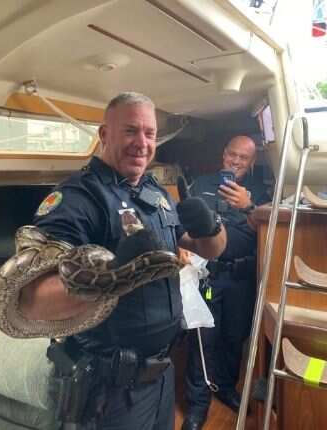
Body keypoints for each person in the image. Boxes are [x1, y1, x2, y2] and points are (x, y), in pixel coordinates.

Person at [17, 92, 227, 429]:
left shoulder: (154, 191)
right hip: (110, 388)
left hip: (161, 376)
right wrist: (115, 273)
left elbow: (210, 249)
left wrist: (212, 226)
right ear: (104, 135)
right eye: (130, 131)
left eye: (150, 133)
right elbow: (32, 299)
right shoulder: (78, 198)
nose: (142, 143)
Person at [182, 136, 270, 430]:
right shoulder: (200, 185)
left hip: (241, 278)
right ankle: (197, 405)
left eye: (242, 158)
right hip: (208, 274)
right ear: (223, 154)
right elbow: (185, 225)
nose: (235, 161)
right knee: (203, 341)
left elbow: (268, 228)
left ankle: (226, 387)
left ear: (252, 161)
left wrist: (248, 206)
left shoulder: (261, 191)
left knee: (234, 337)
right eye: (231, 154)